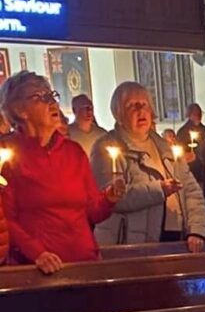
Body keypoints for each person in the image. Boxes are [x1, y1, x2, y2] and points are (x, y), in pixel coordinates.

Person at [0, 72, 124, 271]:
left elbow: (92, 212)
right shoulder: (7, 155)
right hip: (38, 268)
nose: (52, 103)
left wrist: (109, 198)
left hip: (84, 262)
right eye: (41, 97)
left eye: (52, 96)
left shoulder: (73, 152)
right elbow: (6, 219)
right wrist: (37, 253)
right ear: (19, 109)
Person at [92, 82, 205, 250]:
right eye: (132, 105)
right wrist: (159, 189)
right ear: (118, 113)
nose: (141, 110)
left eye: (144, 104)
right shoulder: (106, 148)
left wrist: (197, 230)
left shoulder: (164, 147)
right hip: (130, 244)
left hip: (176, 237)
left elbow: (191, 191)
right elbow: (110, 199)